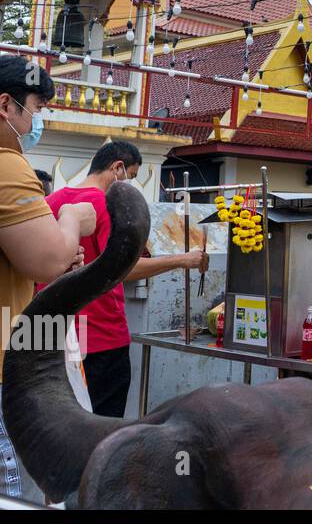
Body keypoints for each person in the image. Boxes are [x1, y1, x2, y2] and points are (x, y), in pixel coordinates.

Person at [0, 55, 97, 501]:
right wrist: (69, 220)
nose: (38, 122)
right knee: (11, 500)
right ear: (6, 106)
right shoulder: (0, 163)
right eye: (37, 108)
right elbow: (49, 260)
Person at [43, 139, 208, 418]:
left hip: (54, 338)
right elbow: (122, 267)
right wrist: (183, 260)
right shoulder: (106, 205)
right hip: (101, 341)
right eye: (130, 177)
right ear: (117, 168)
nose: (128, 186)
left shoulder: (51, 201)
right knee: (101, 429)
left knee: (60, 425)